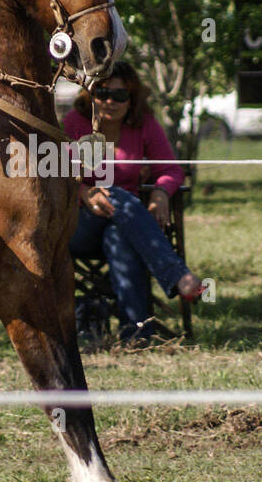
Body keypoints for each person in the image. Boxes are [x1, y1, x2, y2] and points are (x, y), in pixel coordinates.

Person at [64, 62, 204, 344]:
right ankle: (177, 275)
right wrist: (84, 193)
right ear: (90, 94)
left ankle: (137, 334)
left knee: (119, 234)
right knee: (118, 197)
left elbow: (171, 170)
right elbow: (56, 175)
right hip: (78, 227)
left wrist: (162, 192)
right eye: (102, 92)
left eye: (120, 95)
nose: (109, 101)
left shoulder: (145, 126)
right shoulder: (75, 123)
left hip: (125, 226)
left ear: (132, 99)